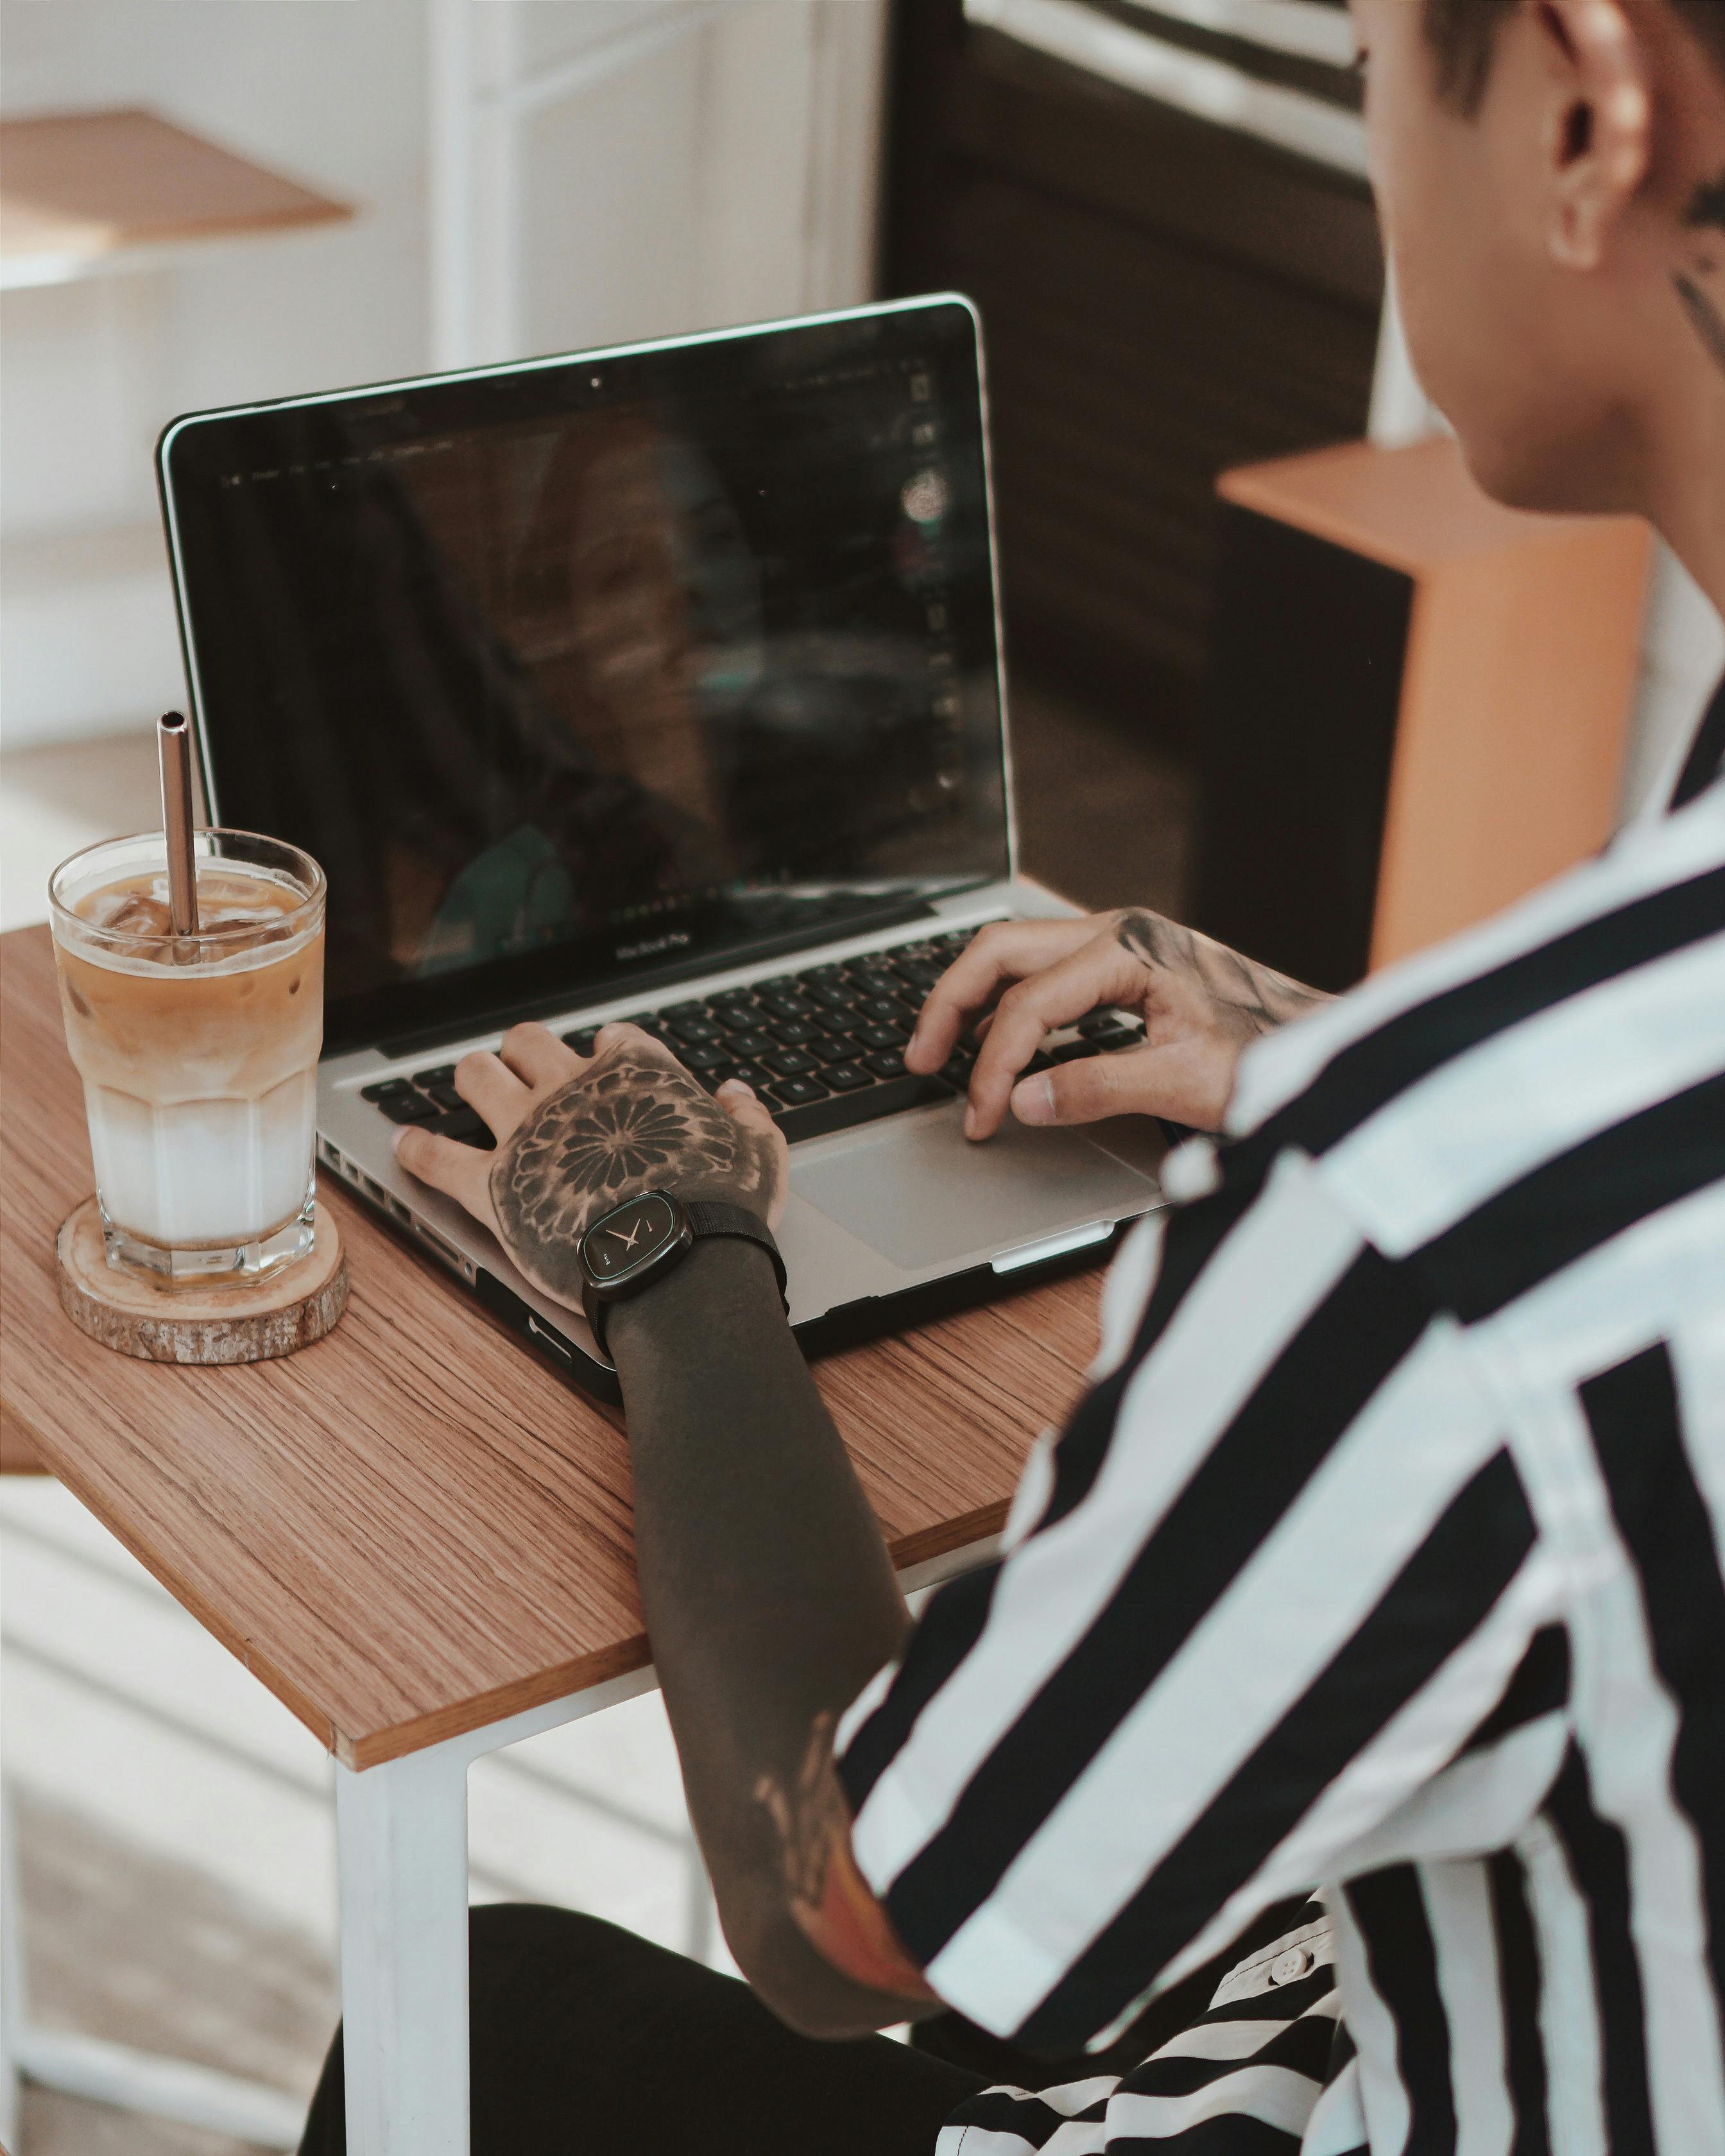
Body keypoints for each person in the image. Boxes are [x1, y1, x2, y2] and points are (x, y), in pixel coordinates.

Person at [300, 0, 1725, 2140]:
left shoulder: (1442, 1217)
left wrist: (673, 1244)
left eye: (1363, 63)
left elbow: (842, 1924)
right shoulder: (1496, 1137)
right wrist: (1322, 1060)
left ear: (1590, 107)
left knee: (498, 2024)